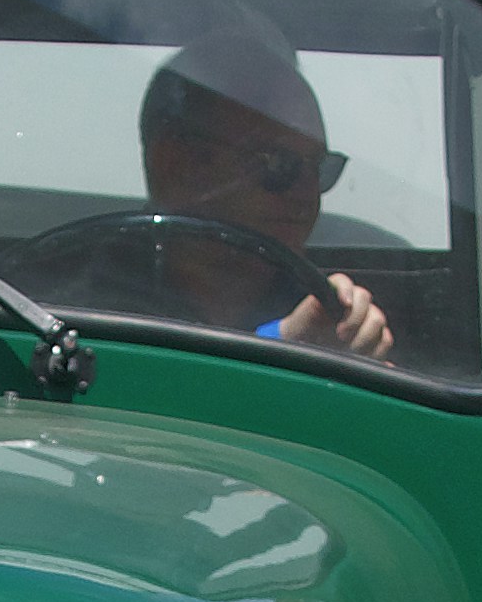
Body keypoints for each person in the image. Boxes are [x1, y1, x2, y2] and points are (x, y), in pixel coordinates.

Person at [133, 20, 395, 359]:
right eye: (279, 164)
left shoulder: (325, 312)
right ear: (177, 164)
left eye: (320, 169)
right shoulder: (73, 296)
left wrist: (359, 350)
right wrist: (285, 348)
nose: (307, 193)